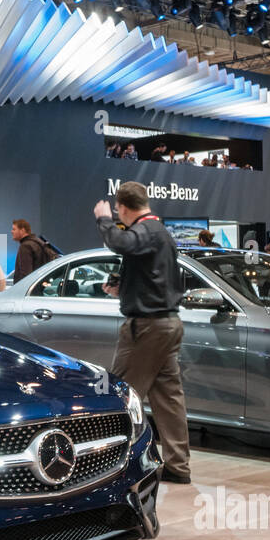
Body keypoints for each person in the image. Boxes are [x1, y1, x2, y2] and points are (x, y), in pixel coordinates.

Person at [93, 182, 191, 485]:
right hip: (167, 324)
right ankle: (178, 464)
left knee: (120, 394)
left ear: (122, 208)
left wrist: (102, 218)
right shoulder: (161, 233)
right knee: (168, 397)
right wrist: (123, 289)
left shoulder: (146, 231)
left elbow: (122, 243)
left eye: (117, 212)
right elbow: (158, 280)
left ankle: (106, 468)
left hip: (147, 328)